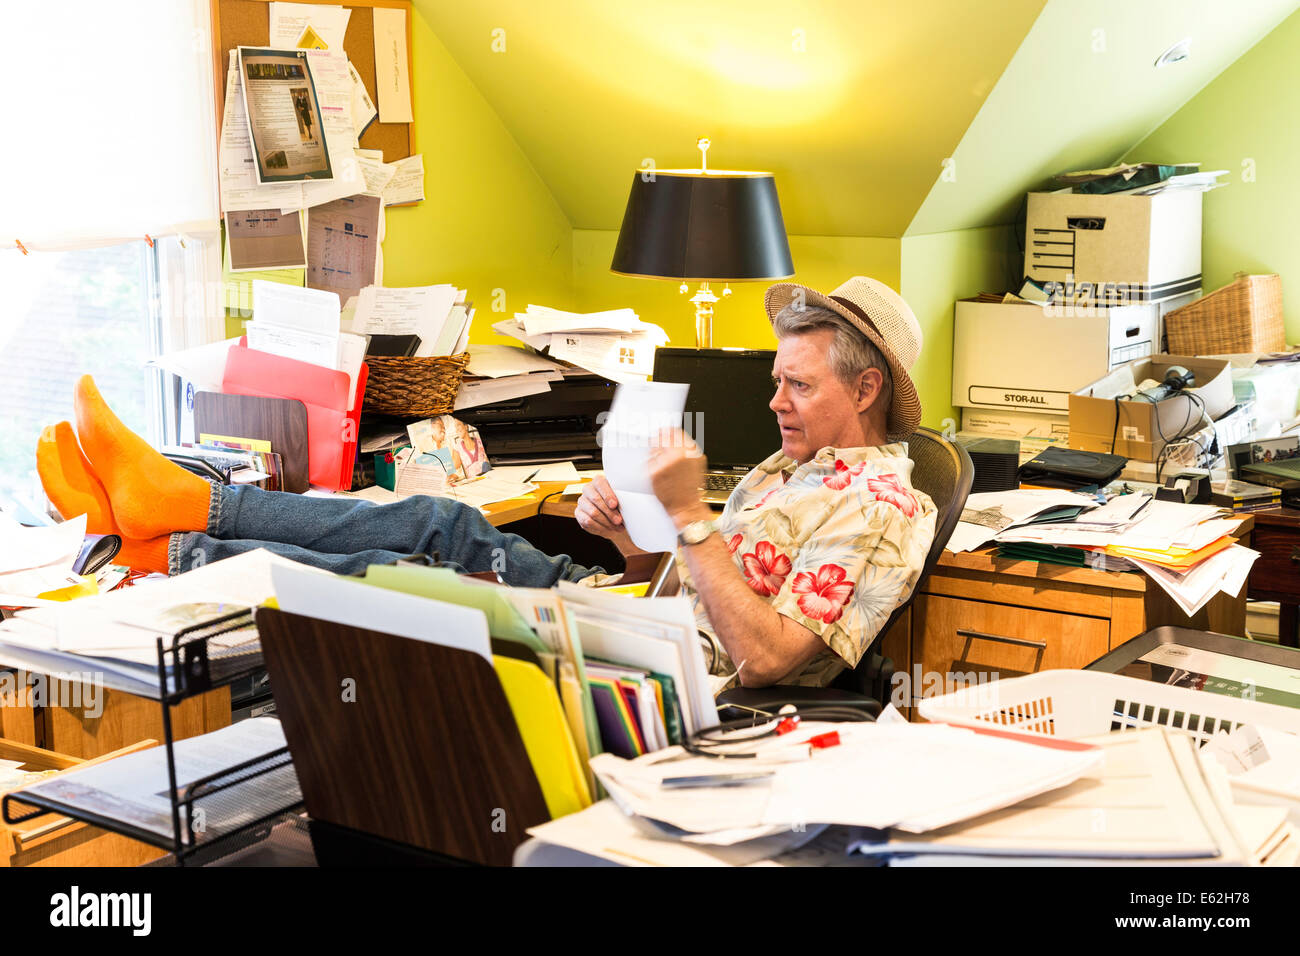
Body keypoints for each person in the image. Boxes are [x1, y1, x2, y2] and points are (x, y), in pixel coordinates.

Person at [37, 276, 935, 689]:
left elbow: (768, 655)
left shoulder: (887, 506)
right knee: (433, 519)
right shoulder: (792, 467)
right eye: (775, 379)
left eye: (797, 384)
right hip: (628, 611)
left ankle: (162, 551)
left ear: (865, 390)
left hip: (661, 669)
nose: (773, 398)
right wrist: (633, 539)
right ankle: (179, 510)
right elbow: (690, 583)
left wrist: (693, 515)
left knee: (390, 586)